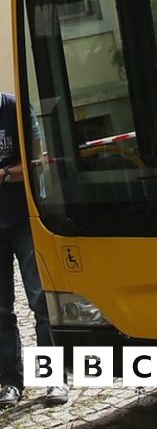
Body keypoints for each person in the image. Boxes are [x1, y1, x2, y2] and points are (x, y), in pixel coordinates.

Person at [0, 93, 67, 407]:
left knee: (41, 302)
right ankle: (10, 383)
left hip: (26, 220)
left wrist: (2, 174)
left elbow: (37, 162)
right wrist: (10, 173)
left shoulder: (15, 108)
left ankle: (53, 380)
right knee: (0, 310)